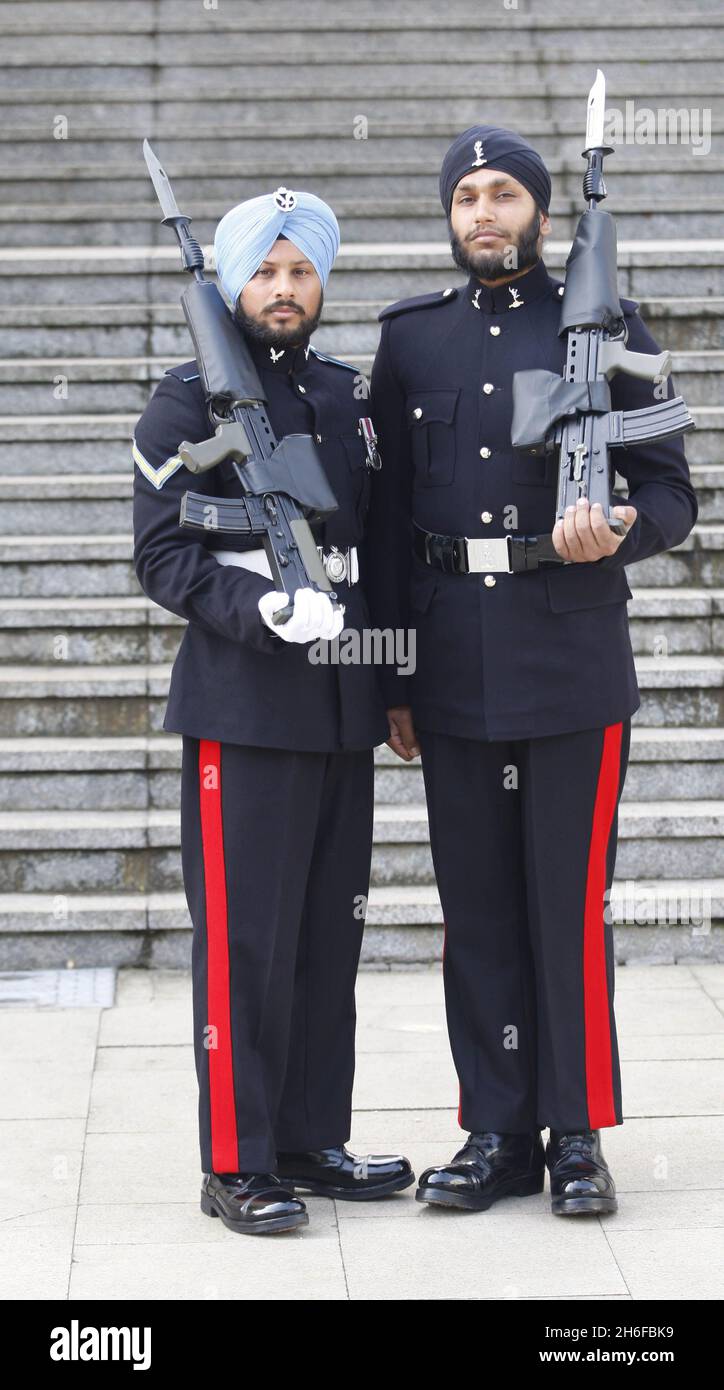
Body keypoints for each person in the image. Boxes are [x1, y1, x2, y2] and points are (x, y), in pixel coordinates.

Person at [362, 125, 698, 1216]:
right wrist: (393, 675)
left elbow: (674, 492)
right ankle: (496, 1128)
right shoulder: (410, 342)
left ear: (540, 214)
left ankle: (576, 1135)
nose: (484, 214)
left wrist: (626, 527)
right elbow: (381, 518)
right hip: (454, 656)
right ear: (449, 217)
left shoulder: (605, 326)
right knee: (477, 908)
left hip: (569, 657)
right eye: (466, 197)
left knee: (565, 903)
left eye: (504, 193)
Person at [132, 187, 413, 1236]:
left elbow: (377, 552)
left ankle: (308, 1137)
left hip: (340, 706)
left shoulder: (346, 398)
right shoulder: (184, 401)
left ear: (321, 282)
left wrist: (391, 686)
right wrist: (258, 605)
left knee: (325, 943)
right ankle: (235, 1160)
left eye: (300, 271)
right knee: (244, 944)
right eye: (265, 270)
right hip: (243, 711)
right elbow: (162, 555)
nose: (283, 289)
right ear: (235, 281)